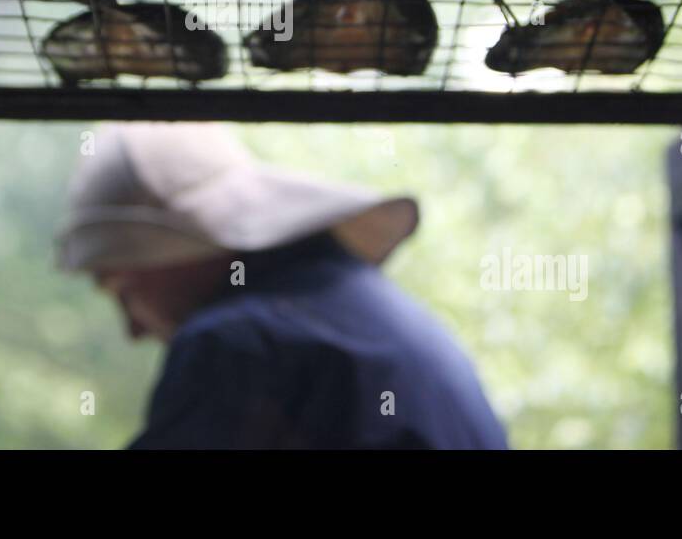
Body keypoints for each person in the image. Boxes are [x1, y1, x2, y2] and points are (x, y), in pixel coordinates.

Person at [56, 122, 507, 450]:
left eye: (122, 290)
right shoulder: (376, 316)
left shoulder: (240, 343)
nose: (133, 330)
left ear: (169, 255)